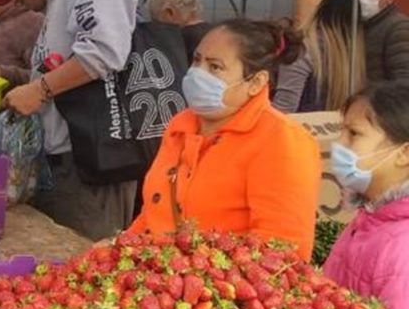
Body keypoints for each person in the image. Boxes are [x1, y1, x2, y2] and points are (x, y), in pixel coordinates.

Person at [126, 20, 321, 260]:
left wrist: (198, 277)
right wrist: (121, 247)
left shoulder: (282, 141)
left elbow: (283, 251)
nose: (198, 73)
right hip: (155, 280)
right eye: (197, 60)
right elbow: (154, 212)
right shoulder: (181, 126)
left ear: (256, 82)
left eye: (215, 67)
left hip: (220, 291)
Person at [0, 0, 138, 239]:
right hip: (66, 162)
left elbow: (105, 50)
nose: (14, 0)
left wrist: (38, 90)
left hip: (92, 163)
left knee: (87, 260)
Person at [323, 82, 409, 309]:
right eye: (341, 131)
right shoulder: (369, 218)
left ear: (403, 154)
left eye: (354, 134)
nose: (339, 144)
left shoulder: (402, 246)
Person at [274, 0, 364, 113]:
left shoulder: (302, 49)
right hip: (331, 127)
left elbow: (284, 108)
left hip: (299, 128)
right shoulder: (353, 56)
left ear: (320, 11)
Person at [358, 0, 409, 82]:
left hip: (377, 99)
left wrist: (370, 99)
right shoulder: (360, 26)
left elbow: (404, 81)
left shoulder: (400, 28)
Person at [147, 0, 213, 63]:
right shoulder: (216, 34)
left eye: (156, 21)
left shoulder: (177, 44)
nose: (156, 30)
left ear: (169, 13)